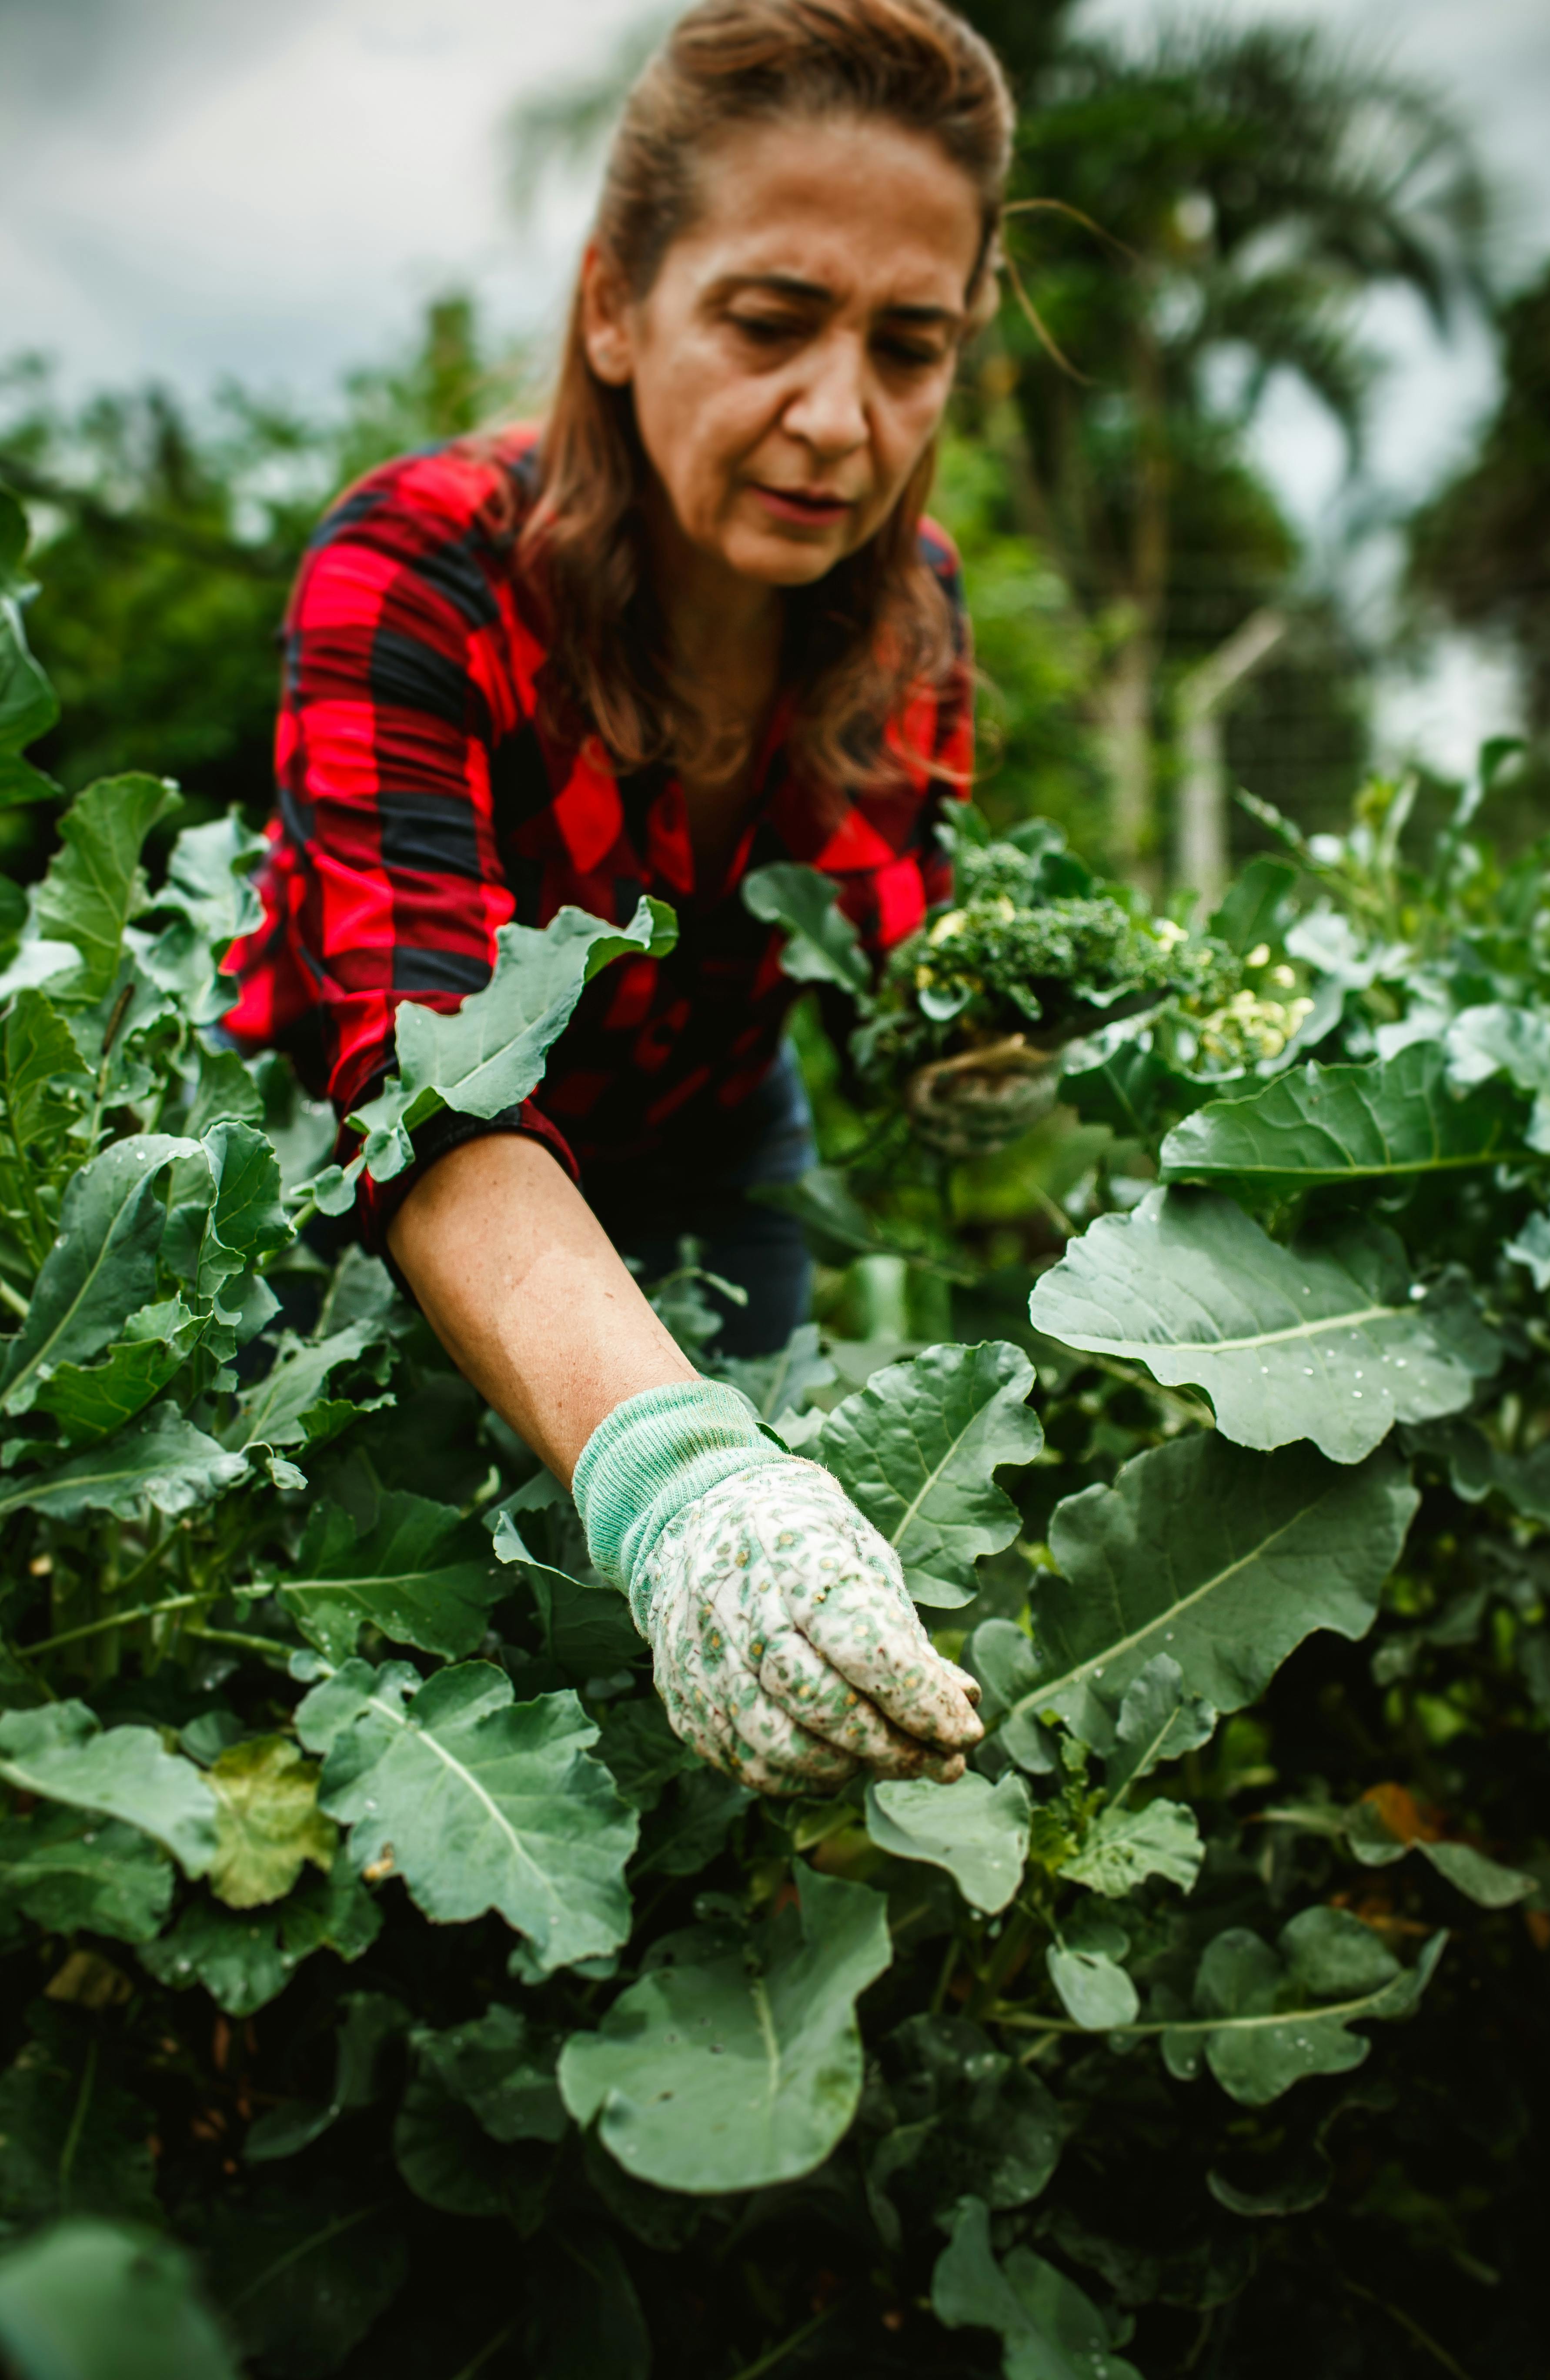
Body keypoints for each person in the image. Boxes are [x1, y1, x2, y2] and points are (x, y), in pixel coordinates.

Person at [226, 0, 1015, 1796]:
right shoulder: (415, 574)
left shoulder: (916, 614)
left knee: (731, 1740)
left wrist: (972, 1029)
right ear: (613, 307)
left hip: (711, 1146)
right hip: (349, 1193)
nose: (840, 417)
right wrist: (678, 1474)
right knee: (375, 1661)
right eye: (768, 321)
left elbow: (894, 918)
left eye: (913, 346)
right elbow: (423, 1090)